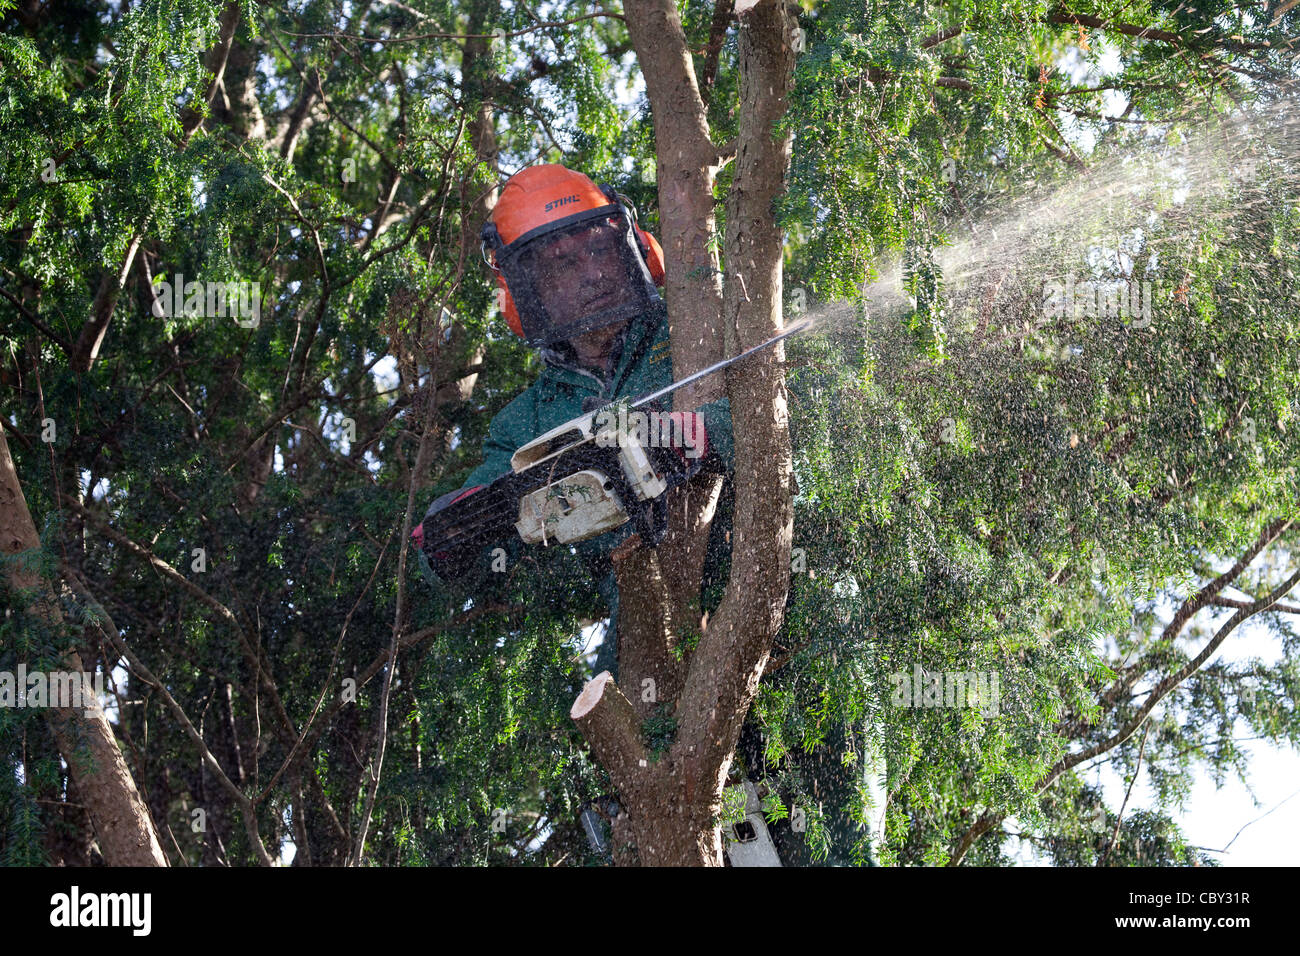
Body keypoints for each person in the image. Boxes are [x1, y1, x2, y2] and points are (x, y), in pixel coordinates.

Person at [414, 163, 734, 679]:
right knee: (637, 722)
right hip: (644, 624)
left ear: (629, 244)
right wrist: (457, 535)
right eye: (562, 265)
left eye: (596, 249)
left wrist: (700, 435)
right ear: (526, 290)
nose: (591, 274)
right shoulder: (524, 423)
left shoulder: (697, 325)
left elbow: (791, 400)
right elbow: (461, 557)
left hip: (761, 578)